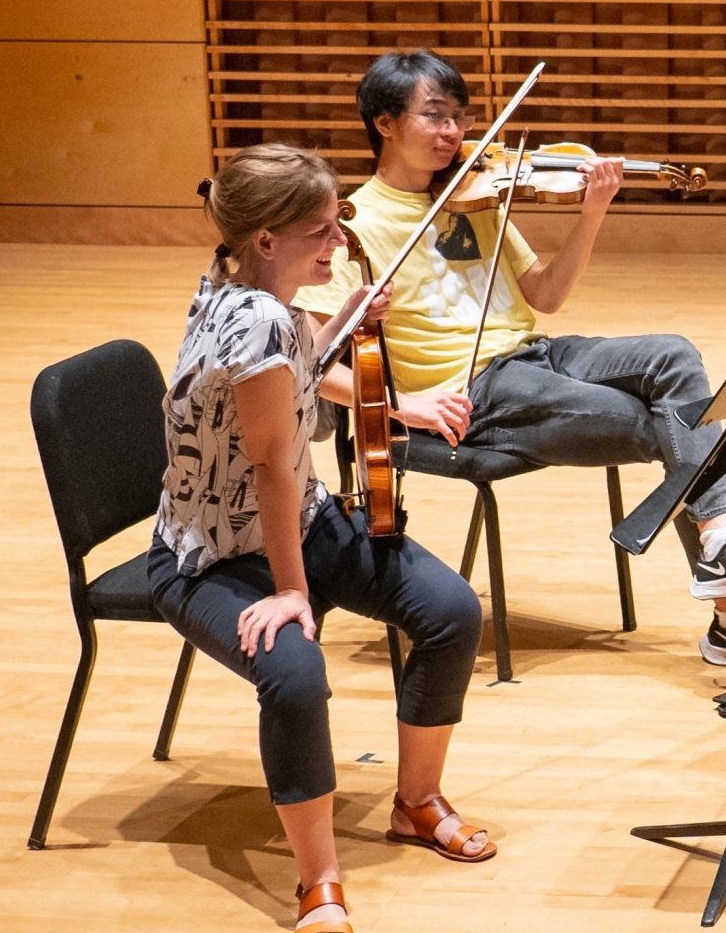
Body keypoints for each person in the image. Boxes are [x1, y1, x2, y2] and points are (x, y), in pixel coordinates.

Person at [296, 50, 726, 675]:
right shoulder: (354, 223)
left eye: (460, 118)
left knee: (674, 357)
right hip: (470, 394)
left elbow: (544, 295)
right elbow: (311, 364)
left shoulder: (472, 198)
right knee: (677, 424)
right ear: (384, 123)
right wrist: (405, 406)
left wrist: (591, 214)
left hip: (535, 356)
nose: (453, 133)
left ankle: (718, 545)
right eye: (434, 116)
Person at [150, 144, 493, 933]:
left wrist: (357, 344)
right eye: (323, 230)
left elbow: (295, 360)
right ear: (267, 239)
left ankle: (416, 801)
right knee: (297, 674)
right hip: (209, 558)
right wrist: (293, 590)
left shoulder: (235, 282)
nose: (339, 242)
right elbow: (272, 466)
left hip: (293, 521)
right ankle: (318, 879)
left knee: (451, 610)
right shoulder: (257, 320)